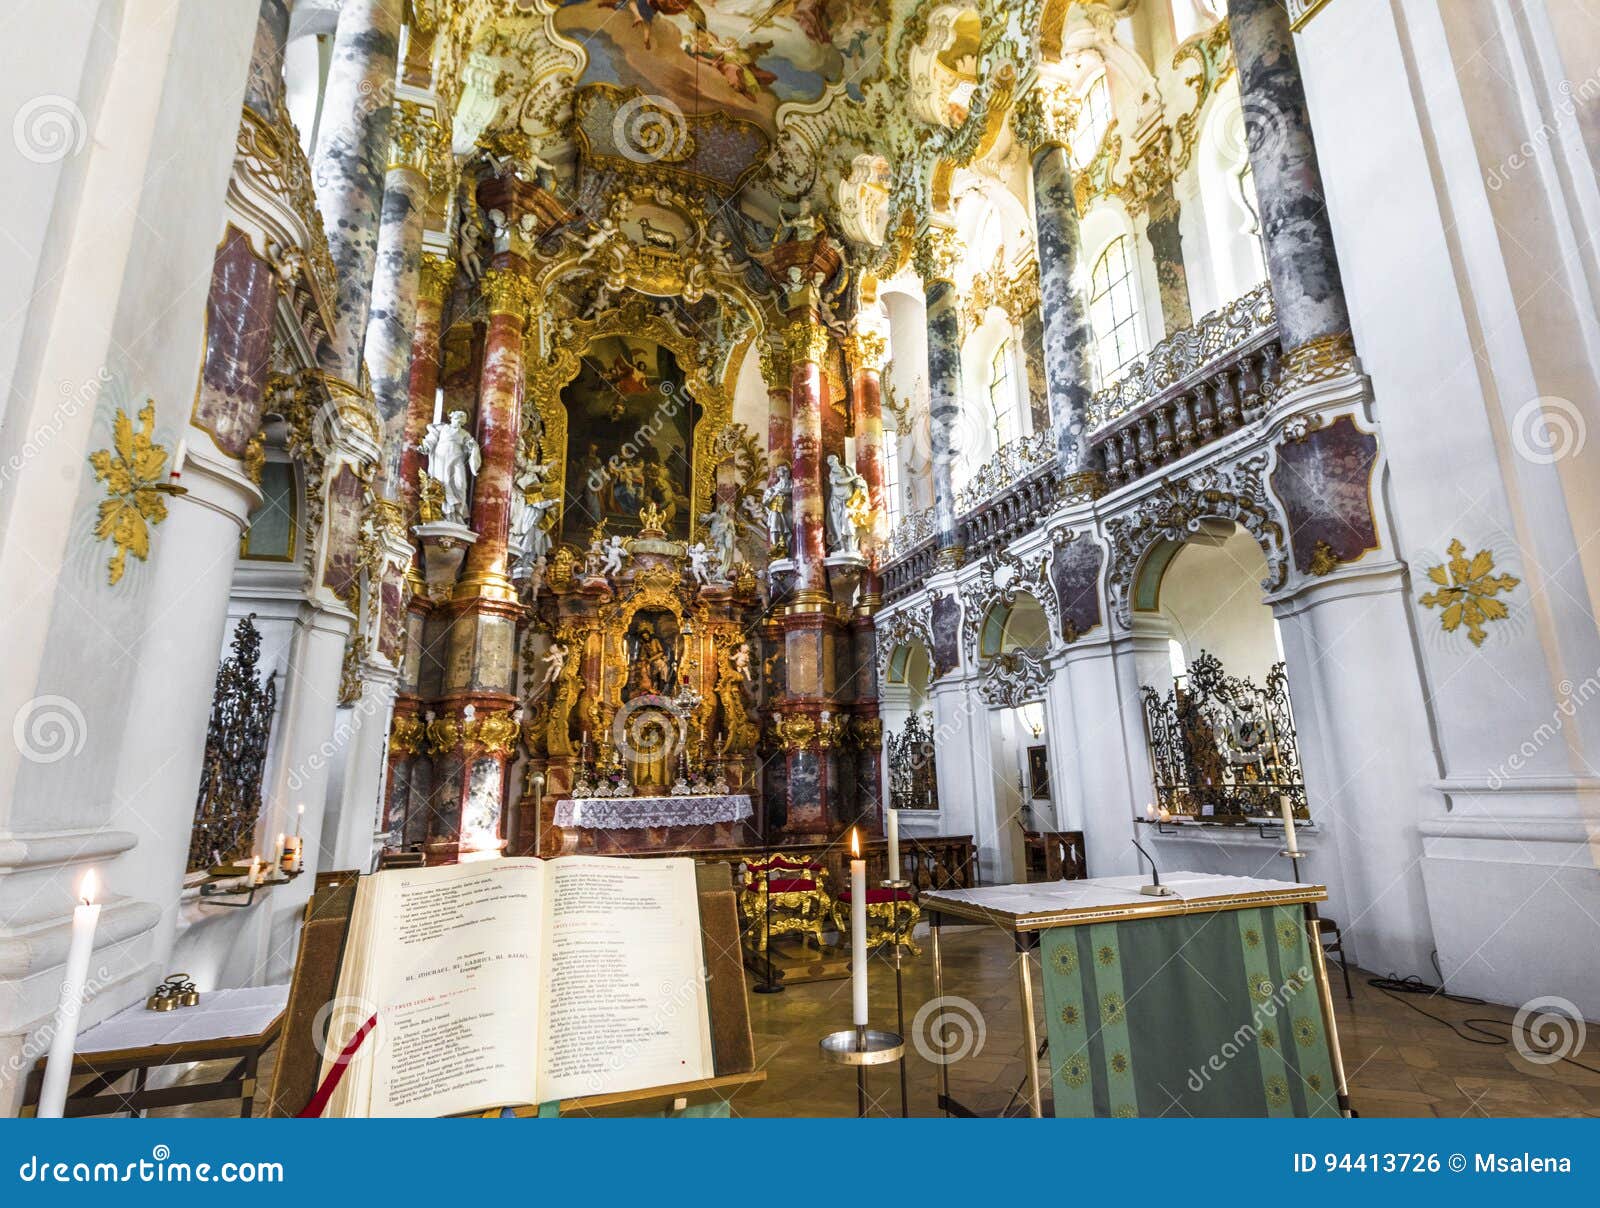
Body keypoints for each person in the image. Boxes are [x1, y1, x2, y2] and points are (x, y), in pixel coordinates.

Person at [416, 411, 482, 526]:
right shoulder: (442, 428)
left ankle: (457, 514)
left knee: (460, 484)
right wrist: (426, 447)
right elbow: (431, 439)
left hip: (457, 460)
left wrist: (472, 447)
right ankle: (446, 514)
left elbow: (470, 447)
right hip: (441, 460)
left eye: (461, 420)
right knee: (442, 483)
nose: (459, 422)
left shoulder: (465, 433)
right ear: (451, 418)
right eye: (457, 418)